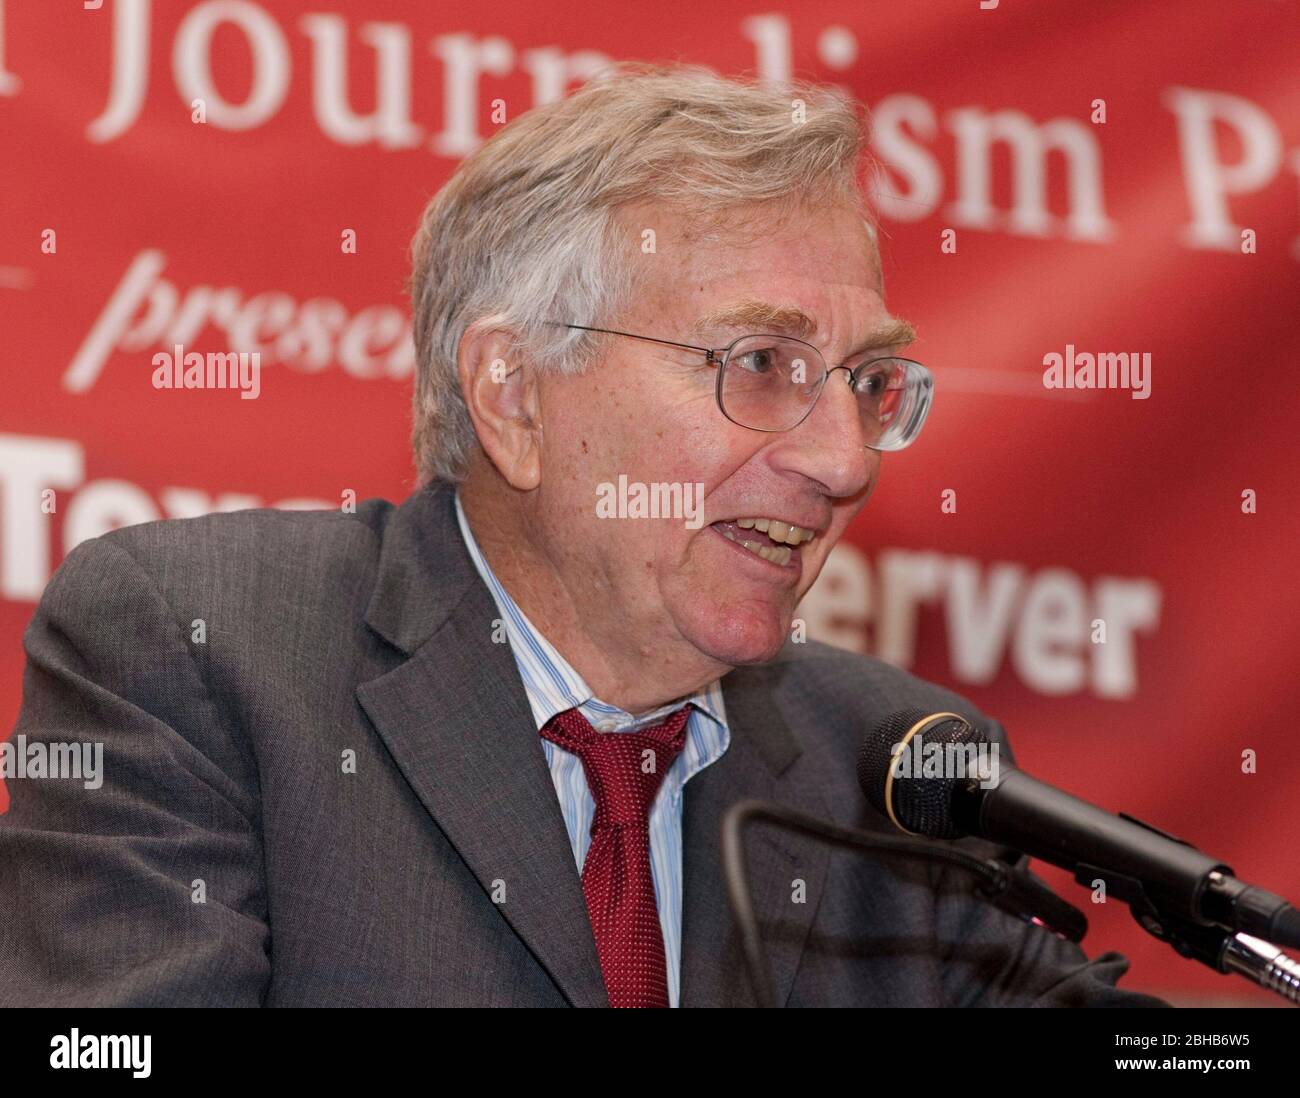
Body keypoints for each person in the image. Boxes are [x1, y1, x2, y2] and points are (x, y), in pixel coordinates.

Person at [0, 63, 1165, 1007]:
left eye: (866, 382)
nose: (843, 461)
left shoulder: (889, 764)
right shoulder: (206, 653)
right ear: (515, 395)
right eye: (761, 365)